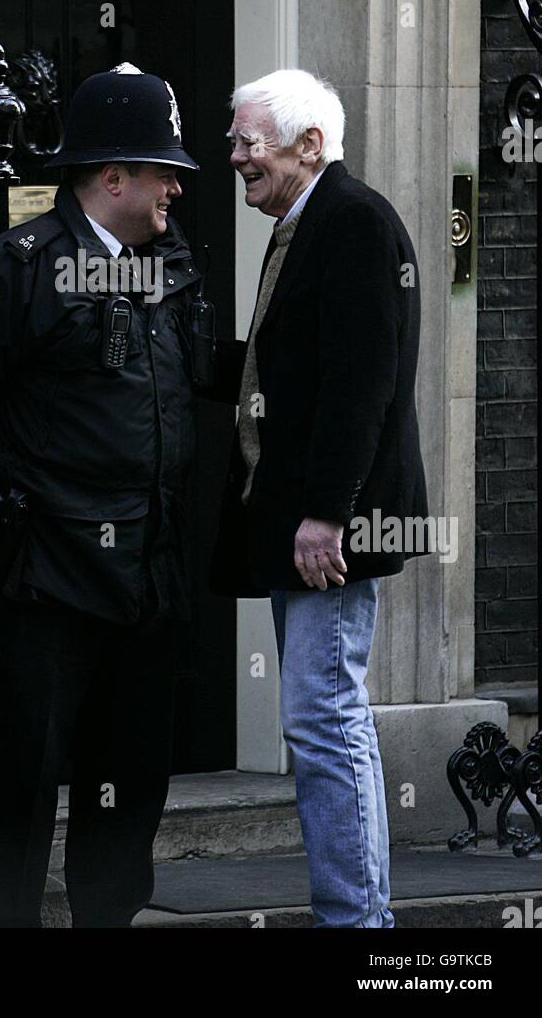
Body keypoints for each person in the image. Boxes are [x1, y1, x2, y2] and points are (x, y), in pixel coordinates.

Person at [0, 63, 207, 928]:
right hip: (45, 585)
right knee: (19, 790)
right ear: (111, 175)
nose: (176, 184)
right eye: (161, 168)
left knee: (128, 789)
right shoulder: (20, 268)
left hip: (146, 579)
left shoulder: (171, 266)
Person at [211, 69, 430, 929]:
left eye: (246, 140)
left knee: (324, 720)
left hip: (328, 533)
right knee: (323, 719)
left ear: (309, 144)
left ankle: (358, 925)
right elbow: (287, 370)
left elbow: (361, 381)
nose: (233, 156)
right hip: (306, 526)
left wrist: (329, 512)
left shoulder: (353, 222)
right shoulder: (308, 223)